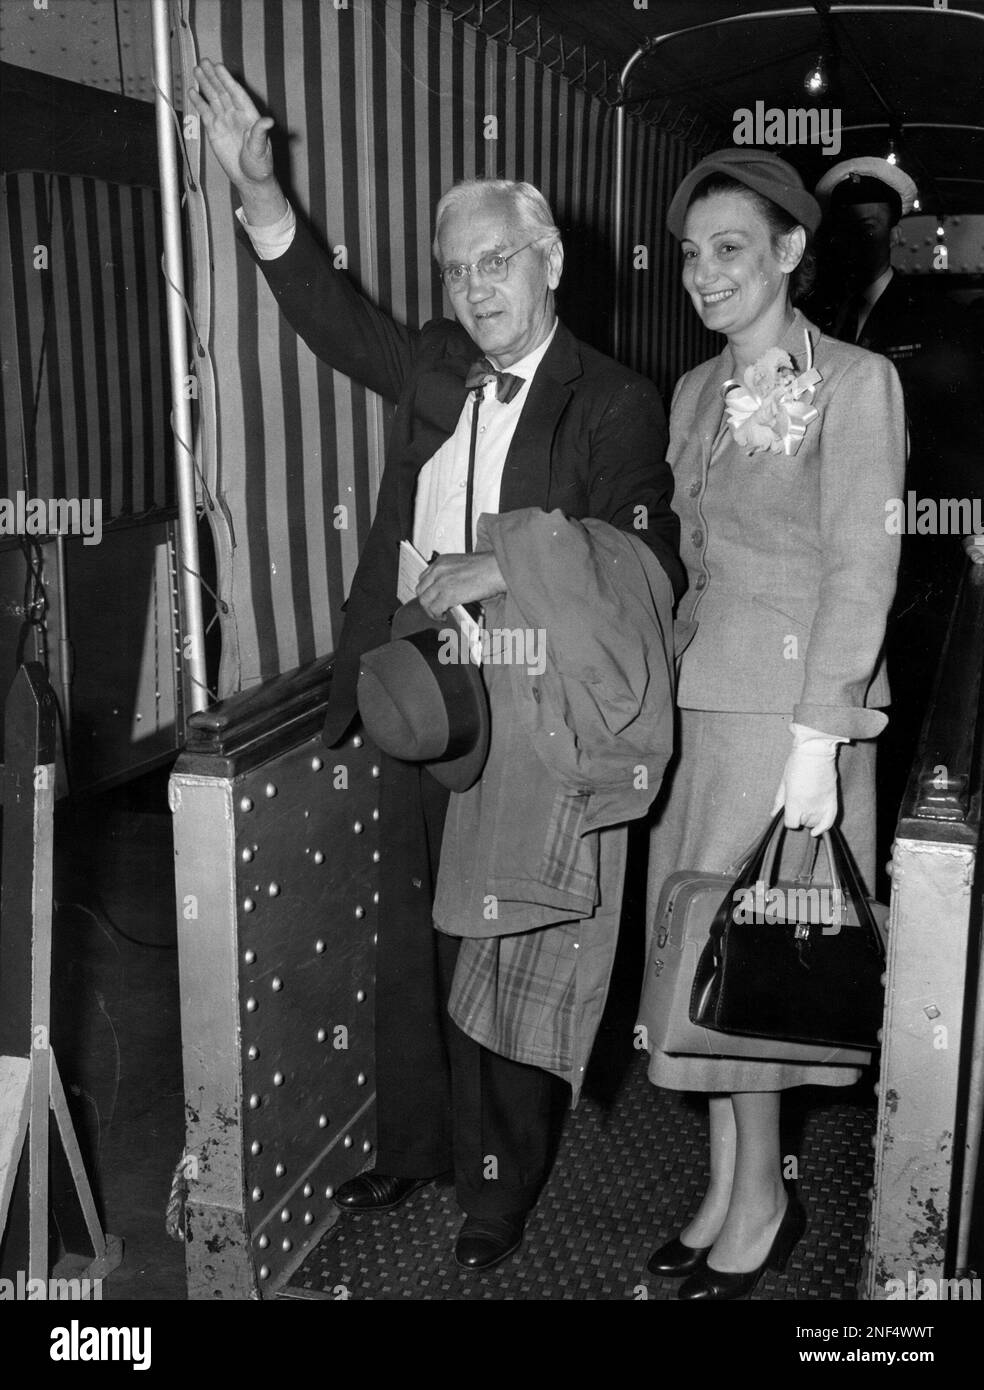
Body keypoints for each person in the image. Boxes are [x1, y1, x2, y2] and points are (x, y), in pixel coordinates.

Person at [190, 59, 683, 1273]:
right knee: (414, 930)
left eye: (495, 262)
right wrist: (261, 195)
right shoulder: (437, 365)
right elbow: (331, 313)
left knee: (507, 945)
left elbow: (640, 566)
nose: (473, 290)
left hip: (525, 708)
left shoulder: (616, 402)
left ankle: (498, 1186)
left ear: (552, 261)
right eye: (456, 270)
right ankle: (415, 1140)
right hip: (418, 694)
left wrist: (501, 568)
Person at [636, 148, 905, 1300]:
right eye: (694, 255)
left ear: (793, 252)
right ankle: (724, 1187)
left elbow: (863, 561)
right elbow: (695, 561)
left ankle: (763, 1205)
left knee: (757, 966)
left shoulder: (857, 382)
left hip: (794, 720)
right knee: (704, 957)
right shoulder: (693, 393)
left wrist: (819, 736)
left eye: (732, 248)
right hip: (705, 712)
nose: (706, 274)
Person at [809, 157, 984, 880]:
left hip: (919, 537)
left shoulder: (932, 316)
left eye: (872, 225)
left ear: (891, 231)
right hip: (834, 535)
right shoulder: (821, 318)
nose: (860, 240)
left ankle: (890, 862)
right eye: (847, 228)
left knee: (904, 692)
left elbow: (964, 426)